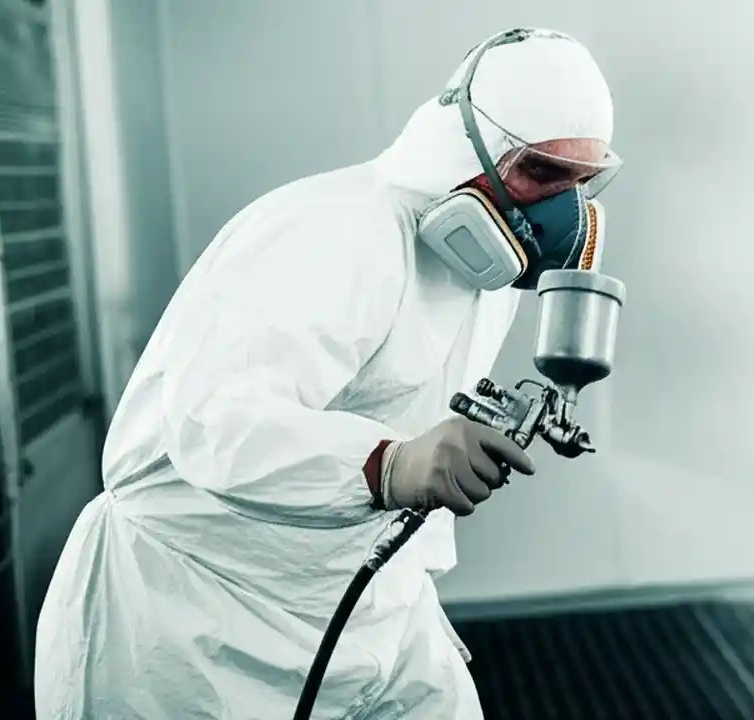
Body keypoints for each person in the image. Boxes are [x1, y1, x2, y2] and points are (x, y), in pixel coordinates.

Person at [33, 28, 620, 718]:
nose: (564, 213)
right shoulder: (336, 229)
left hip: (353, 597)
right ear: (470, 146)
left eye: (581, 184)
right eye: (543, 174)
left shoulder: (483, 273)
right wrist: (387, 463)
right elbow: (214, 422)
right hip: (193, 622)